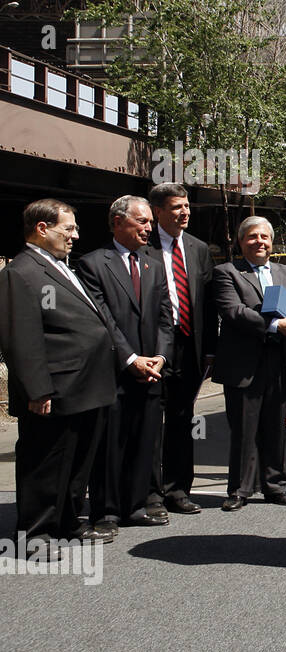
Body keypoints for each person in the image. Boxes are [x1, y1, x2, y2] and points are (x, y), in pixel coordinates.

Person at [0, 200, 120, 556]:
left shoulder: (60, 267)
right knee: (46, 463)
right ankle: (35, 535)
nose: (75, 235)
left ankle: (68, 523)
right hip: (55, 389)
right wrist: (37, 388)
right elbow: (20, 338)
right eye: (68, 229)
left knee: (77, 462)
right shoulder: (21, 272)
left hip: (87, 386)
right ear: (41, 229)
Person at [78, 195, 173, 534]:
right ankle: (105, 512)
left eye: (150, 222)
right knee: (110, 445)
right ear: (118, 222)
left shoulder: (154, 264)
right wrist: (131, 359)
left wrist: (160, 358)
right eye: (141, 221)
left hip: (152, 373)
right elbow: (103, 320)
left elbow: (166, 319)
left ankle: (135, 505)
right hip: (114, 372)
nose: (149, 228)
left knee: (144, 441)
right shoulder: (93, 264)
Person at [211, 216, 286, 512]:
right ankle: (240, 489)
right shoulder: (226, 272)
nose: (259, 241)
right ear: (240, 242)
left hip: (280, 361)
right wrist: (277, 326)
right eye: (252, 237)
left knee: (278, 426)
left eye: (264, 237)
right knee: (244, 429)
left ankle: (275, 485)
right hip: (244, 364)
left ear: (272, 243)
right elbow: (233, 312)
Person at [146, 183, 215, 516]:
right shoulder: (142, 246)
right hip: (151, 348)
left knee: (181, 419)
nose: (185, 212)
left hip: (189, 346)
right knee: (147, 422)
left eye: (187, 206)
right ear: (157, 211)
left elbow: (208, 304)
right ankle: (148, 493)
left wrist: (210, 351)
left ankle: (177, 490)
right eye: (176, 207)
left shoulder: (198, 248)